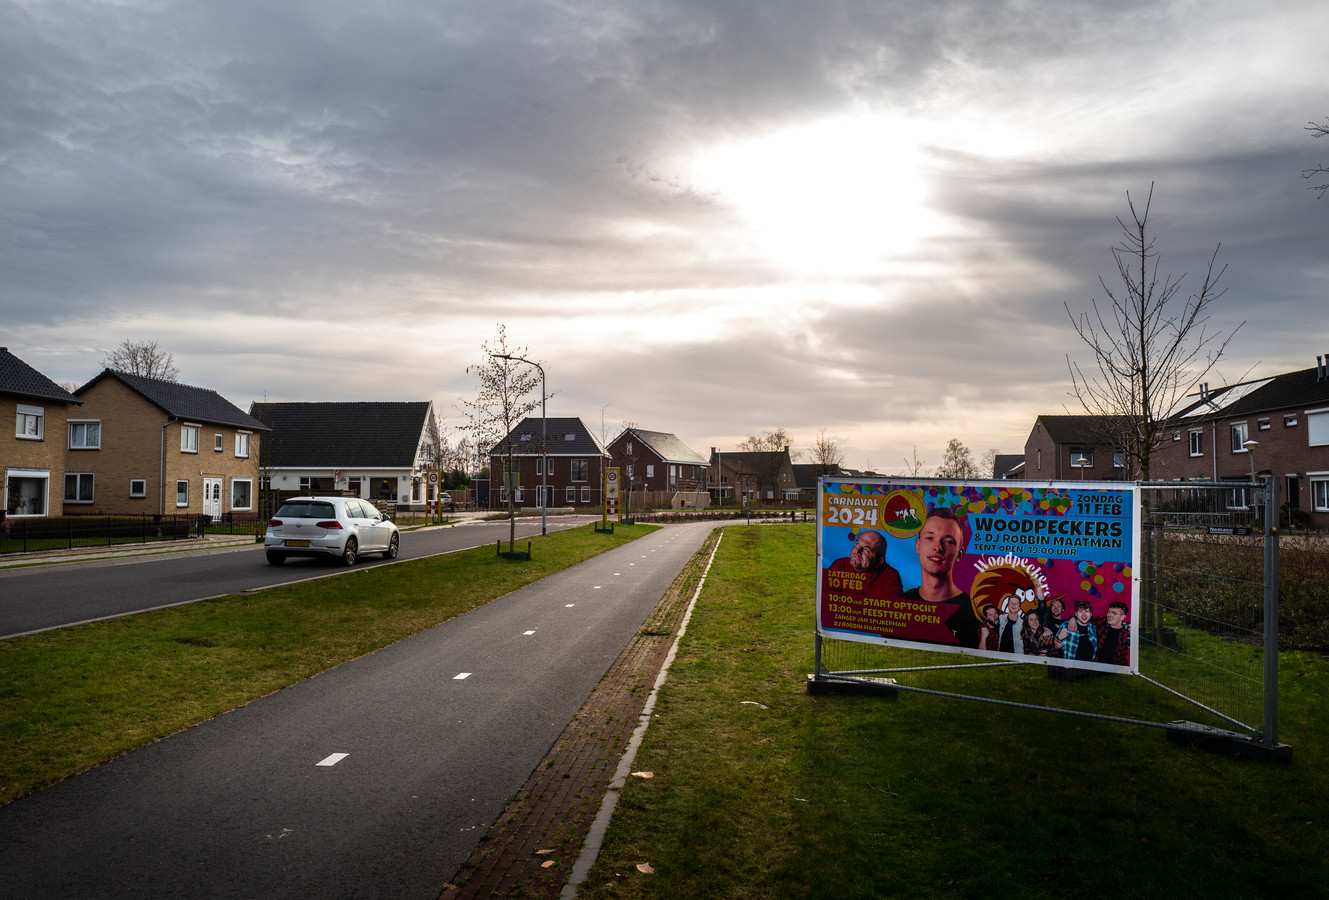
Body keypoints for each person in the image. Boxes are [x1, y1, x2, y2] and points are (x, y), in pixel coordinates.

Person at [901, 507, 974, 646]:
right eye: (929, 538)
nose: (938, 547)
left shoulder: (974, 612)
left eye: (948, 541)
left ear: (959, 553)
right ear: (918, 545)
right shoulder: (903, 602)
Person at [823, 529, 904, 599]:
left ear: (879, 561)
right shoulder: (840, 565)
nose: (857, 551)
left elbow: (891, 612)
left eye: (866, 550)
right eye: (857, 544)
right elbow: (827, 602)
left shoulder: (890, 577)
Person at [1093, 600, 1131, 665]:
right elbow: (1085, 617)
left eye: (1114, 613)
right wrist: (1072, 618)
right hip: (1096, 664)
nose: (1109, 615)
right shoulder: (1101, 622)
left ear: (1122, 617)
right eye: (1109, 612)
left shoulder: (1126, 632)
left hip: (1116, 667)